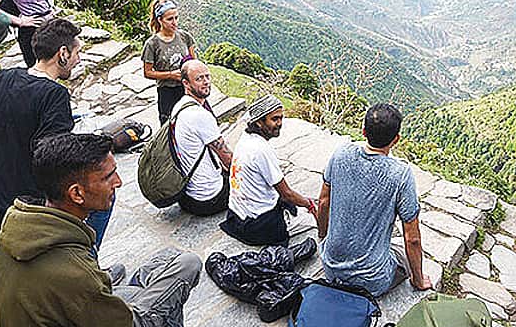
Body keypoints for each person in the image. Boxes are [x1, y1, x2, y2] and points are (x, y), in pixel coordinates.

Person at [0, 132, 232, 327]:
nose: (119, 182)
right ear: (76, 193)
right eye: (108, 177)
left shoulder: (16, 233)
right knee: (186, 267)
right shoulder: (73, 273)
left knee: (164, 261)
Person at [0, 18, 80, 230]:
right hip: (21, 211)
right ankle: (85, 259)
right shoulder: (54, 94)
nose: (78, 60)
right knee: (99, 197)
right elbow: (52, 157)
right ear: (63, 53)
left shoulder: (4, 76)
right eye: (77, 53)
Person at [316, 103, 434, 297]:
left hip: (331, 269)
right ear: (396, 139)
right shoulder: (400, 174)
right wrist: (418, 280)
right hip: (371, 282)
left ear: (363, 131)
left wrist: (323, 239)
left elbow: (323, 203)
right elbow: (412, 238)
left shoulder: (340, 154)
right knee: (400, 254)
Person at [221, 95, 317, 246]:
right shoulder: (261, 150)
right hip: (257, 226)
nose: (279, 124)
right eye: (274, 119)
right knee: (314, 217)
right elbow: (287, 194)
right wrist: (310, 205)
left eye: (281, 118)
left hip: (237, 216)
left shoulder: (246, 139)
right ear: (259, 122)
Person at [171, 60, 232, 216]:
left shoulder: (179, 107)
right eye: (199, 79)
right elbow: (227, 158)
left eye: (207, 77)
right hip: (207, 199)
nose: (206, 82)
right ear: (186, 83)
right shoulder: (200, 116)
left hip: (186, 196)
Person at [142, 0, 196, 123]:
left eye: (176, 18)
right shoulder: (152, 44)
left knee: (190, 120)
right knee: (168, 122)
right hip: (167, 91)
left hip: (186, 87)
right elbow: (148, 72)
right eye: (170, 19)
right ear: (160, 20)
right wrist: (170, 75)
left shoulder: (185, 37)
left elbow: (194, 62)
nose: (175, 23)